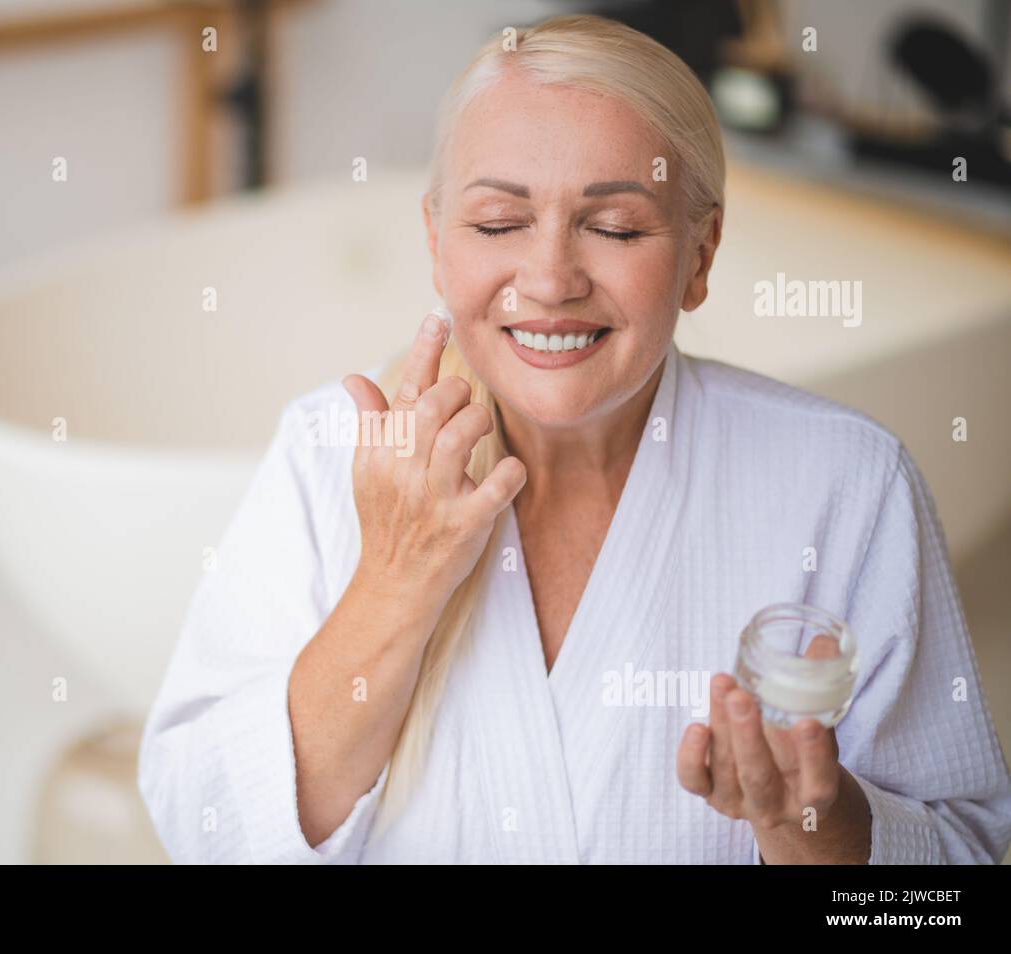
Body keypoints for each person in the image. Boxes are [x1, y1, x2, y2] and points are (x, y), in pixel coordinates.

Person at [137, 13, 1011, 864]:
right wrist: (394, 583)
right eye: (497, 224)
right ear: (437, 244)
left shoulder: (846, 483)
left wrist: (818, 832)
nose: (550, 279)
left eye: (615, 227)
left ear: (699, 257)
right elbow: (203, 827)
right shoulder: (328, 451)